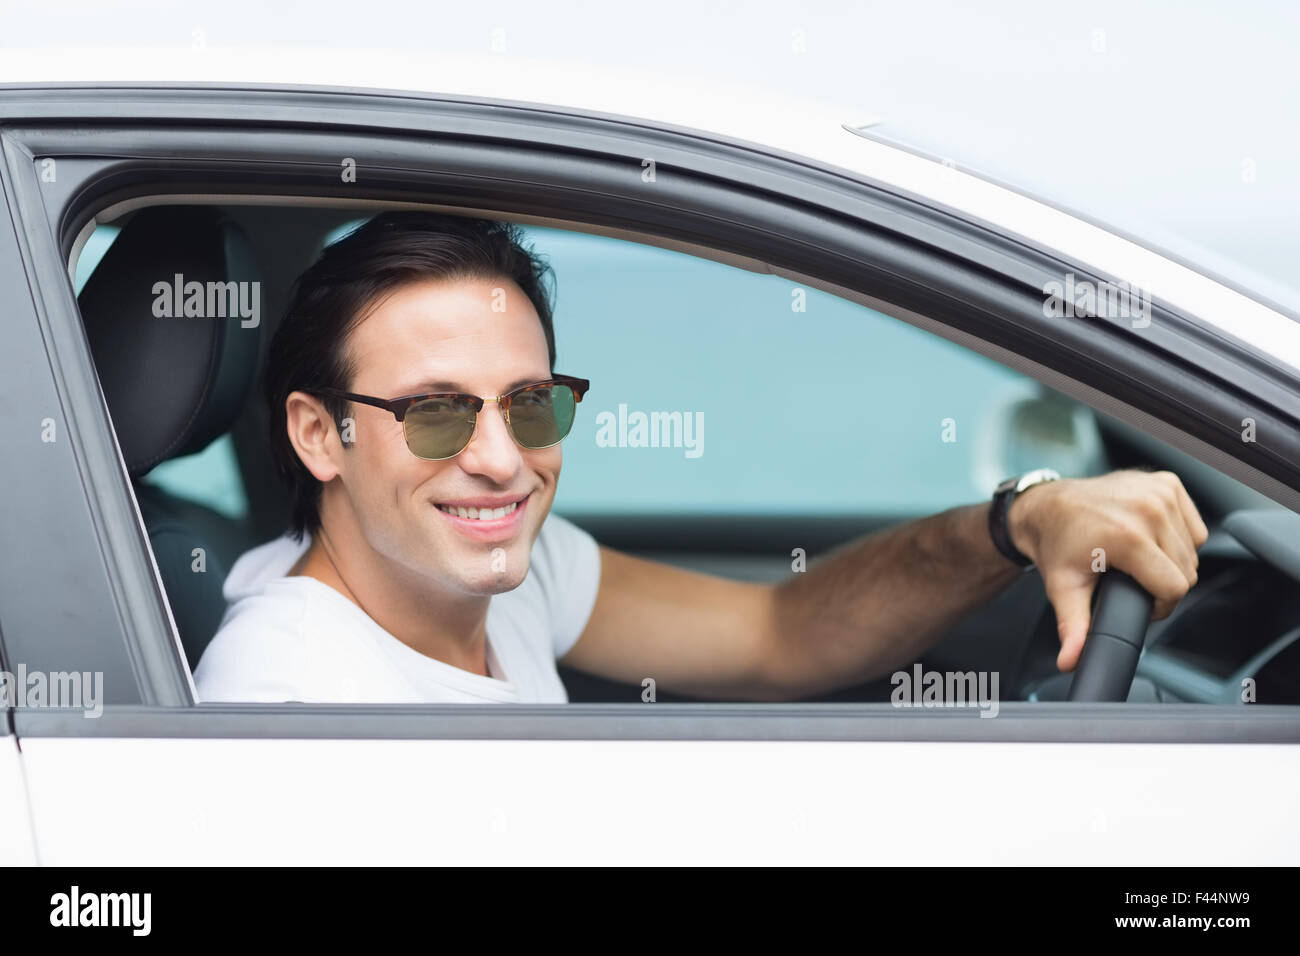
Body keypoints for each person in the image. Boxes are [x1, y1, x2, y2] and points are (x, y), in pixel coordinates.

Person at [194, 212, 1208, 703]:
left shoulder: (510, 572)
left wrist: (1016, 520)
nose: (503, 461)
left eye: (531, 403)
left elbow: (780, 628)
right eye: (437, 414)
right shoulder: (285, 689)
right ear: (320, 433)